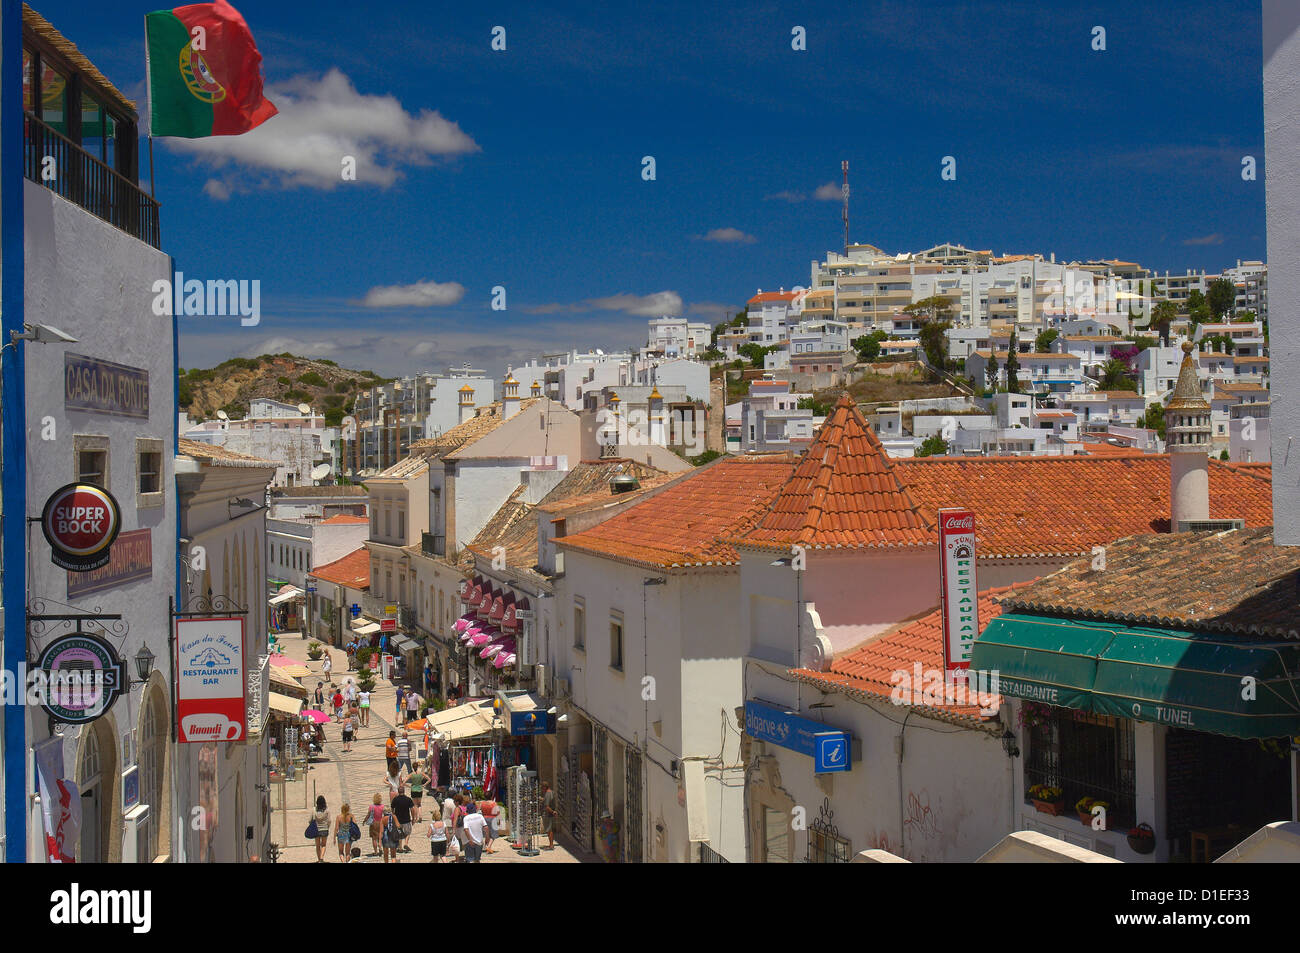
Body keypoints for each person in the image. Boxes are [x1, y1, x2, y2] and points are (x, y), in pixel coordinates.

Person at [391, 788, 415, 854]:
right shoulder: (408, 799)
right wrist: (413, 818)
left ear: (398, 791)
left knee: (399, 833)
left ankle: (400, 848)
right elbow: (412, 809)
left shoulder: (395, 799)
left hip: (398, 819)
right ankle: (406, 843)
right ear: (404, 791)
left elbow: (392, 808)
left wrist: (393, 816)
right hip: (406, 819)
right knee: (408, 832)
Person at [312, 796, 330, 862]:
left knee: (317, 845)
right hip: (324, 829)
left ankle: (319, 859)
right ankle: (322, 858)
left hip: (316, 830)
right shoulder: (327, 810)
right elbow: (329, 820)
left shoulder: (314, 809)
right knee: (323, 845)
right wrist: (328, 827)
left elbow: (310, 820)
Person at [541, 781, 556, 850]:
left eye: (542, 787)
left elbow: (547, 806)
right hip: (549, 814)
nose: (541, 789)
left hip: (547, 814)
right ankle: (551, 844)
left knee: (549, 830)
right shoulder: (551, 792)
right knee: (549, 829)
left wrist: (553, 812)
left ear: (544, 787)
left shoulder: (547, 794)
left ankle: (551, 845)